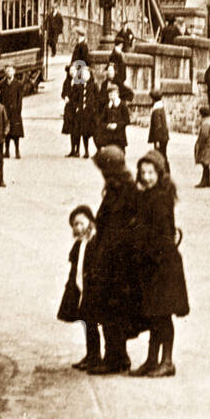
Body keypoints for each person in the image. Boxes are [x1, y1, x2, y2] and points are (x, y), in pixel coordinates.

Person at [81, 146, 143, 375]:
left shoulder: (128, 190)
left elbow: (132, 226)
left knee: (114, 309)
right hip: (109, 259)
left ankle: (115, 358)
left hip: (120, 263)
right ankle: (116, 356)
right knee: (107, 308)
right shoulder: (116, 188)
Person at [130, 150, 188, 378]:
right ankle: (152, 359)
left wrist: (150, 254)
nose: (146, 177)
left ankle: (167, 361)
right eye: (143, 172)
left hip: (163, 265)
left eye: (151, 172)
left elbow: (163, 235)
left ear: (159, 173)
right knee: (153, 314)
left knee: (163, 315)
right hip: (151, 264)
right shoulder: (147, 195)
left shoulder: (161, 198)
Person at [57, 205, 100, 371]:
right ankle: (91, 355)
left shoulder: (94, 242)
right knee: (87, 322)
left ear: (90, 222)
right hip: (82, 288)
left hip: (93, 289)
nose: (79, 227)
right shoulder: (80, 244)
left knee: (92, 322)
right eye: (75, 224)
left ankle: (95, 356)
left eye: (82, 223)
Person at [62, 61, 92, 157]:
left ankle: (82, 150)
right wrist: (65, 96)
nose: (72, 72)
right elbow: (64, 92)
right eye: (70, 70)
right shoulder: (67, 81)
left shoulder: (80, 83)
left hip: (78, 110)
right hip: (70, 109)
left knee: (80, 130)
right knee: (72, 130)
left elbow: (78, 96)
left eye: (73, 70)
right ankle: (73, 150)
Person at [0, 65, 24, 159]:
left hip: (15, 112)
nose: (9, 72)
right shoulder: (1, 84)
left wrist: (18, 111)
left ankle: (17, 150)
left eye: (10, 71)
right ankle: (7, 151)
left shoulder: (18, 84)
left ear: (14, 72)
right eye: (7, 71)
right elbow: (0, 99)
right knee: (6, 132)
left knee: (16, 132)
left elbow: (20, 99)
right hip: (5, 111)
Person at [97, 84, 130, 151]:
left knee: (119, 153)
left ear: (117, 94)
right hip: (108, 136)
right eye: (109, 95)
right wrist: (107, 125)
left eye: (113, 94)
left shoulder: (122, 105)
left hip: (119, 135)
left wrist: (117, 125)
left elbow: (127, 120)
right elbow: (101, 121)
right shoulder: (107, 107)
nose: (111, 96)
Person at [194, 105, 210, 189]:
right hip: (209, 147)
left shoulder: (206, 124)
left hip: (206, 148)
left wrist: (199, 145)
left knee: (205, 165)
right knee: (206, 165)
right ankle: (207, 181)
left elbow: (204, 136)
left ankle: (204, 181)